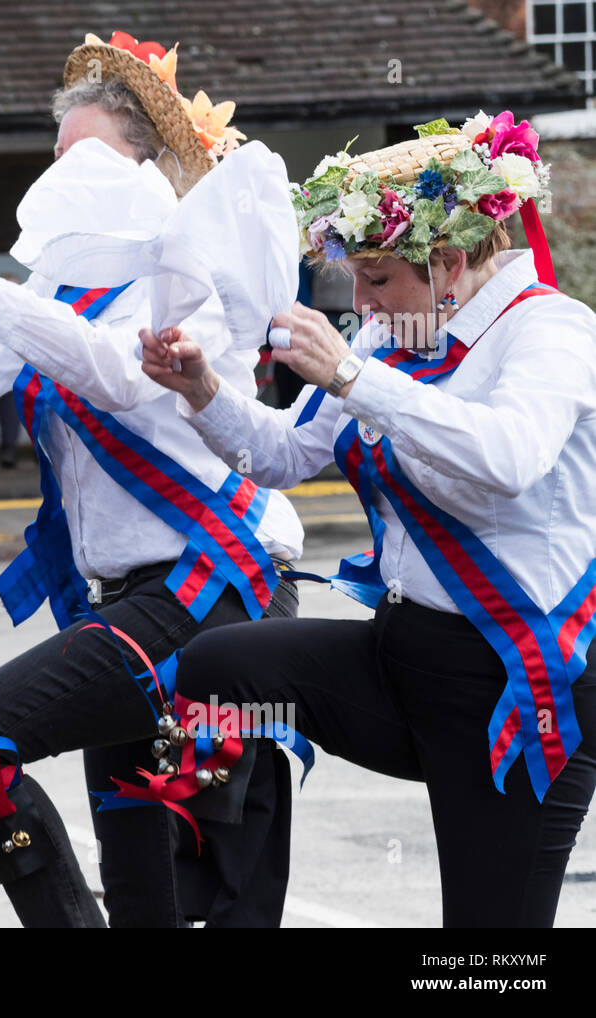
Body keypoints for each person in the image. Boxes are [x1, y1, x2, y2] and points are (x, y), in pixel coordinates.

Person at [140, 112, 596, 927]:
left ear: (452, 262)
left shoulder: (549, 329)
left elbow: (509, 454)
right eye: (355, 278)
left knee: (490, 953)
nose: (359, 302)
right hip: (404, 655)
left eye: (378, 278)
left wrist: (354, 374)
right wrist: (202, 391)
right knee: (219, 667)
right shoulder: (393, 338)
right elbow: (280, 455)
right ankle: (227, 915)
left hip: (521, 679)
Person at [0, 32, 303, 927]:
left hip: (216, 598)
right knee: (138, 890)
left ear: (147, 164)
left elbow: (122, 375)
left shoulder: (199, 268)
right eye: (55, 158)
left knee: (225, 887)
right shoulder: (51, 284)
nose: (60, 179)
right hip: (126, 604)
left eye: (82, 156)